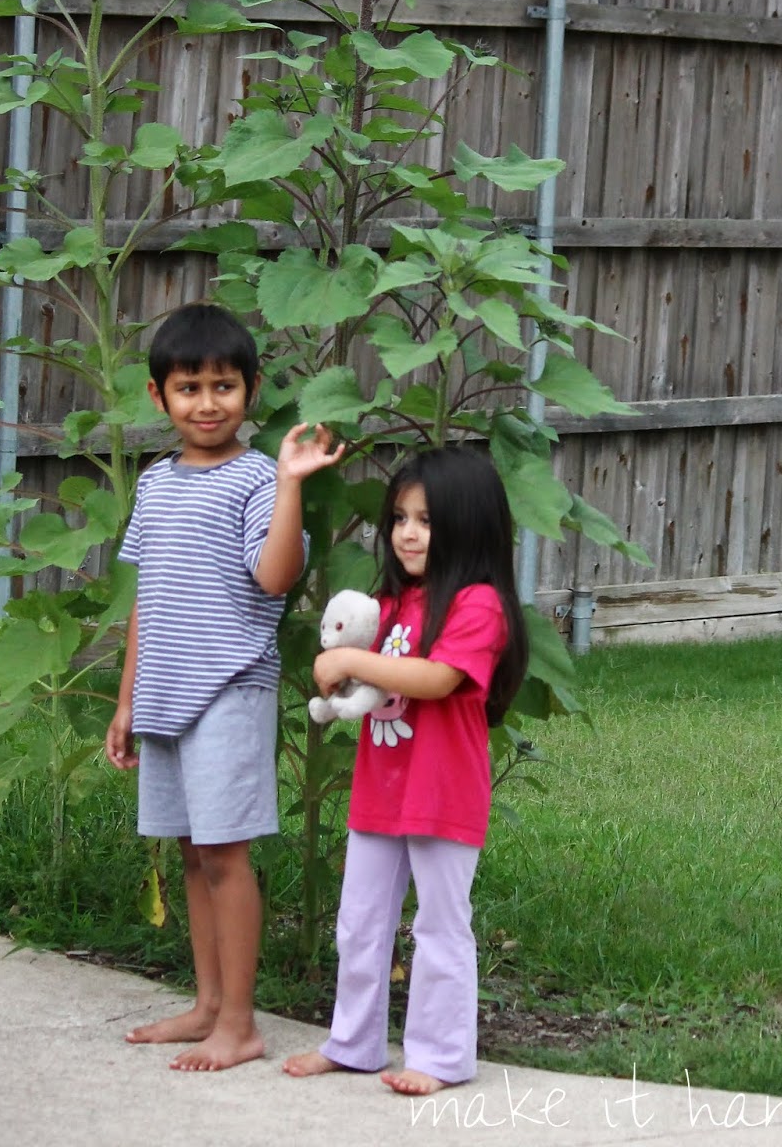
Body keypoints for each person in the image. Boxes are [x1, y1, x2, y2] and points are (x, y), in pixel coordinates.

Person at [105, 300, 343, 1072]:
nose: (207, 404)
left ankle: (238, 1022)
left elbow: (275, 578)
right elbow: (151, 597)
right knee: (190, 853)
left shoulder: (254, 479)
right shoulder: (154, 484)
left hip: (228, 689)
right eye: (188, 388)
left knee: (225, 855)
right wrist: (127, 698)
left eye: (223, 387)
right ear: (157, 397)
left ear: (252, 389)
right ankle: (207, 1005)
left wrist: (289, 484)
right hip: (167, 695)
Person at [284, 445, 528, 1096]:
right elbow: (369, 672)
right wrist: (338, 663)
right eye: (398, 518)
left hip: (442, 792)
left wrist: (353, 666)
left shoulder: (477, 605)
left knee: (439, 926)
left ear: (470, 524)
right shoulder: (392, 604)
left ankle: (440, 1055)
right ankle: (353, 1042)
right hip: (381, 787)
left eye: (426, 518)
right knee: (359, 920)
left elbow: (436, 677)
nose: (408, 532)